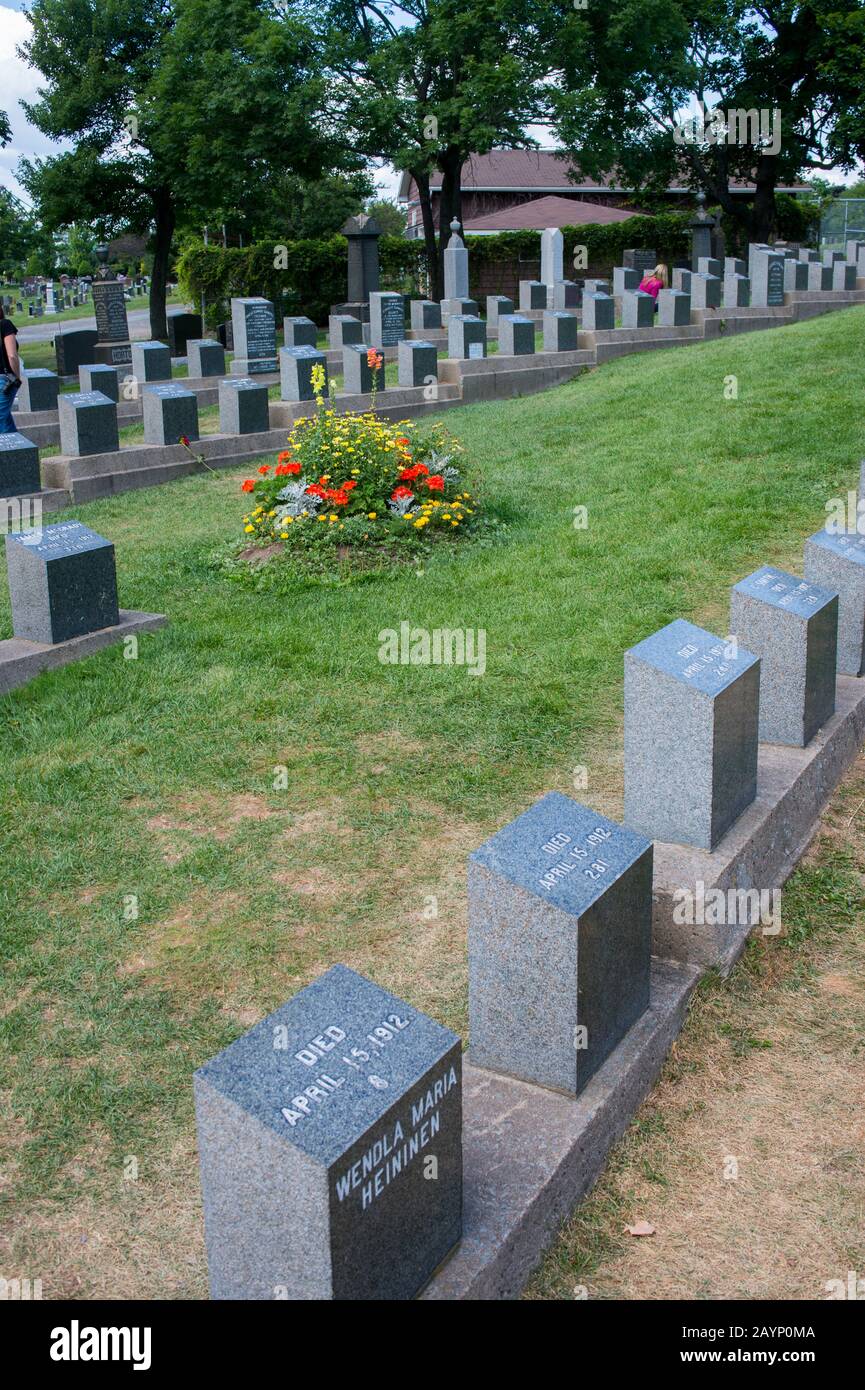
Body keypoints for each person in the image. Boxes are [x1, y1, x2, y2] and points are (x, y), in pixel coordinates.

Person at [0, 302, 22, 434]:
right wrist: (17, 377)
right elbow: (12, 356)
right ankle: (19, 452)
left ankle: (19, 452)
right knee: (4, 421)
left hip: (3, 383)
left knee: (5, 420)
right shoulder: (4, 324)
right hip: (5, 379)